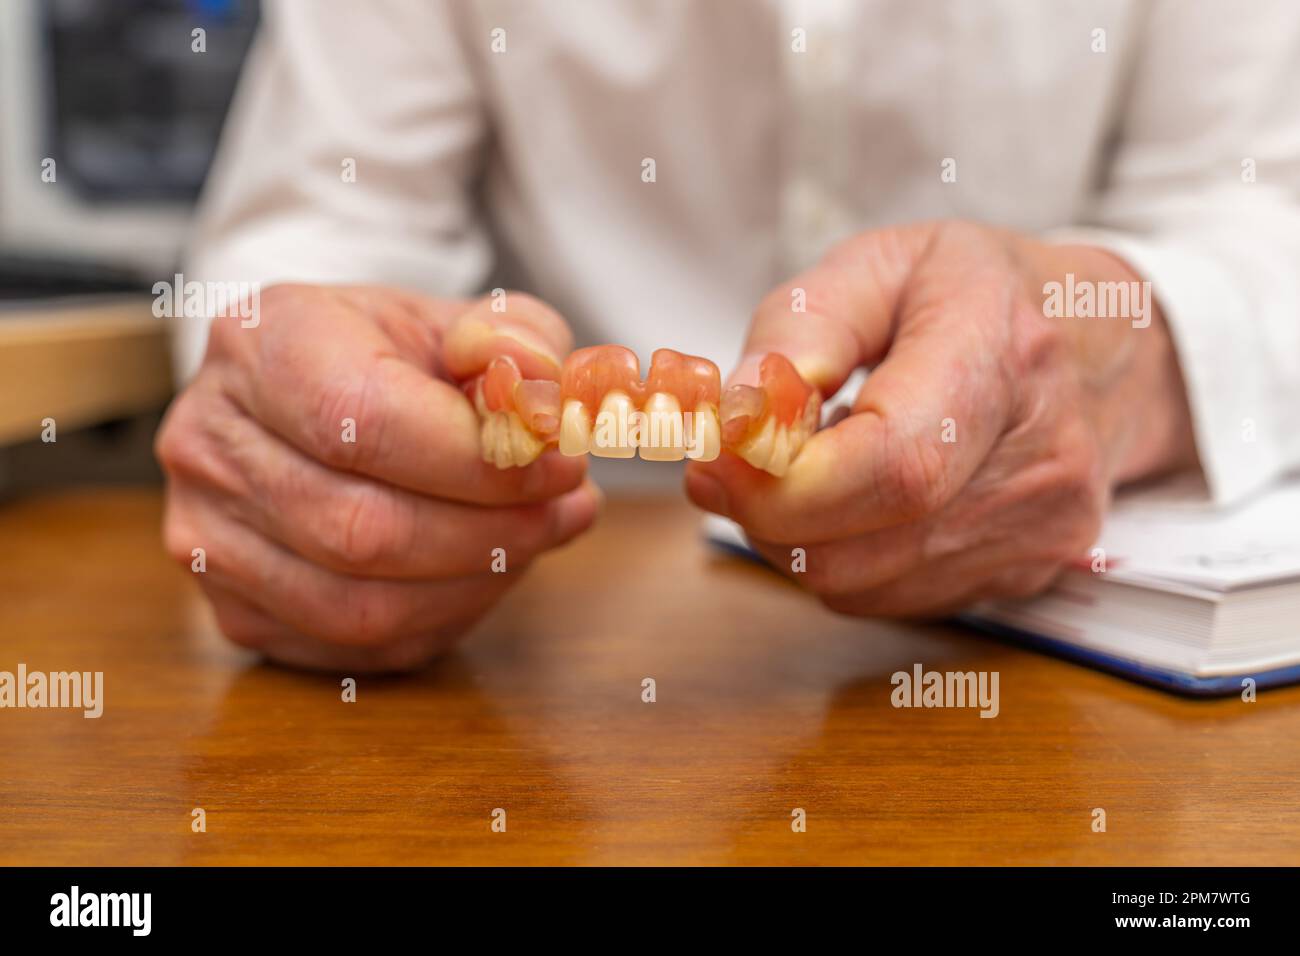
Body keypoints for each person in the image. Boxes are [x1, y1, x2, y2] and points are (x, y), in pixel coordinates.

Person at [155, 0, 1300, 671]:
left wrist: (1121, 352)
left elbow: (1261, 197)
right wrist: (323, 444)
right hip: (529, 665)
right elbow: (325, 222)